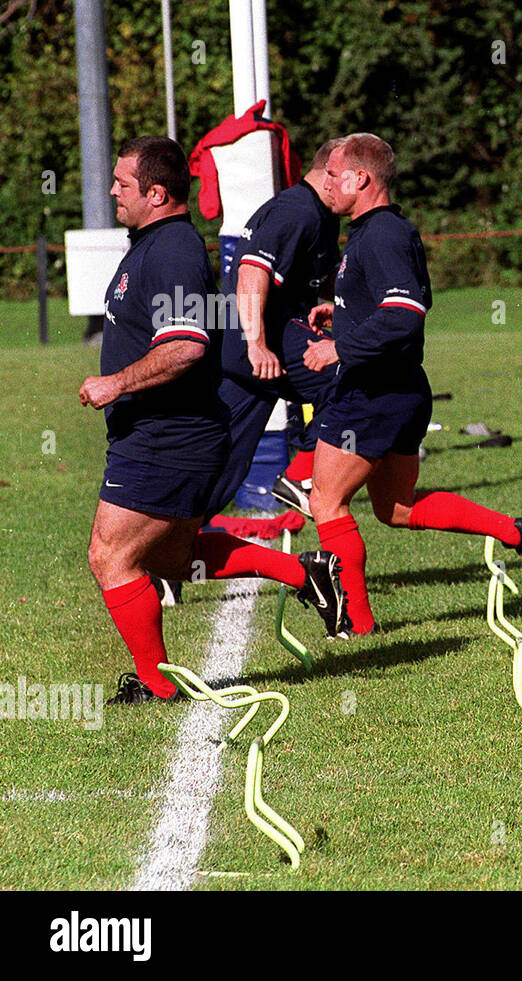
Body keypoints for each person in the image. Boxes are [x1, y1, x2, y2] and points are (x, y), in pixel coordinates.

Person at [80, 136, 350, 705]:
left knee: (111, 556)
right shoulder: (152, 243)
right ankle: (307, 574)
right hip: (159, 433)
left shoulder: (174, 248)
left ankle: (158, 686)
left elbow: (185, 346)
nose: (111, 192)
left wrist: (115, 383)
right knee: (173, 558)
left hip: (166, 438)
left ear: (156, 193)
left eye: (122, 184)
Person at [301, 133, 522, 637]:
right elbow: (400, 304)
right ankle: (517, 530)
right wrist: (344, 314)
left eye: (333, 174)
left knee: (325, 502)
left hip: (371, 395)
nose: (325, 183)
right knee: (395, 508)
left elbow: (405, 318)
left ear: (362, 178)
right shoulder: (378, 231)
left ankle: (357, 627)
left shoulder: (383, 235)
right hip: (399, 392)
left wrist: (340, 348)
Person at [201, 137, 344, 522]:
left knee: (222, 466)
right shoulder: (298, 211)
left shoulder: (323, 215)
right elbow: (251, 272)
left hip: (245, 345)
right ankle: (303, 479)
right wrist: (257, 344)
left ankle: (166, 548)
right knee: (348, 374)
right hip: (253, 340)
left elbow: (321, 279)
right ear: (330, 173)